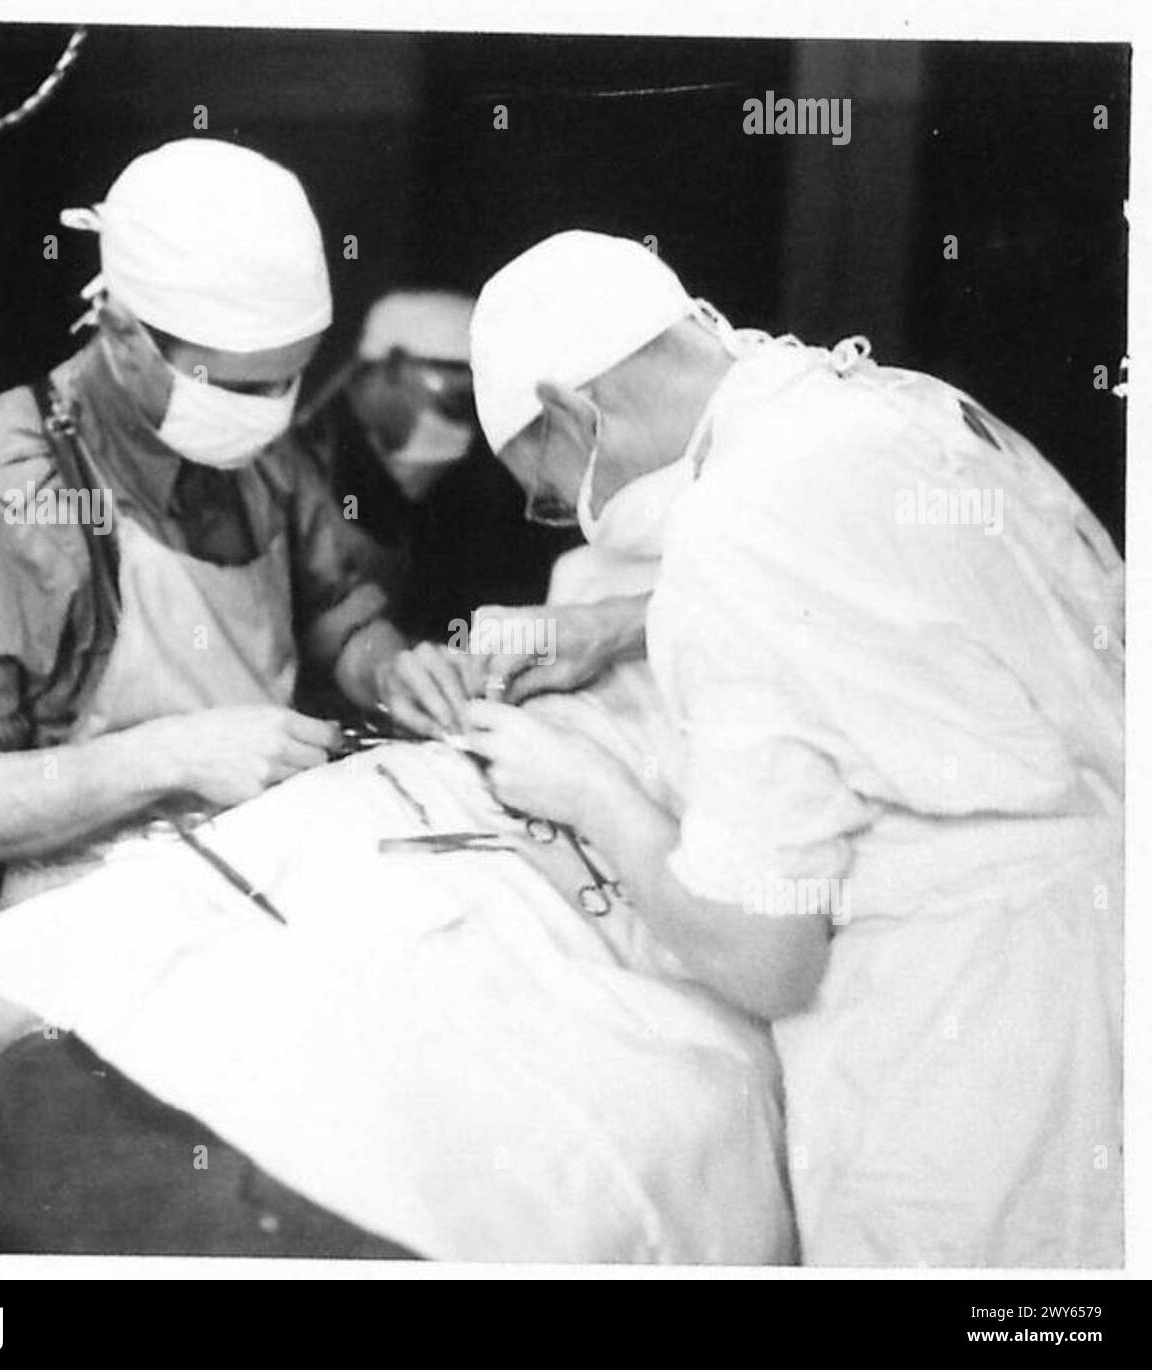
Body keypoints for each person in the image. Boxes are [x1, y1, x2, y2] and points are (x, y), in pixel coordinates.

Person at [456, 230, 1124, 1267]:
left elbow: (767, 955)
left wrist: (590, 794)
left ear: (574, 411)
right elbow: (894, 604)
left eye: (555, 494)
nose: (575, 523)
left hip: (970, 1057)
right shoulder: (883, 403)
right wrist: (623, 619)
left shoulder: (734, 532)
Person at [0, 139, 455, 1081]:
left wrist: (392, 667)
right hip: (85, 914)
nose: (275, 411)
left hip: (255, 862)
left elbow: (337, 607)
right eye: (245, 385)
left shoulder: (253, 454)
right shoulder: (8, 497)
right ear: (124, 331)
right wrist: (174, 754)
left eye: (293, 378)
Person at [295, 291, 570, 651]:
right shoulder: (295, 465)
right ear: (393, 366)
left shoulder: (463, 489)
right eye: (456, 405)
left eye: (478, 414)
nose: (466, 434)